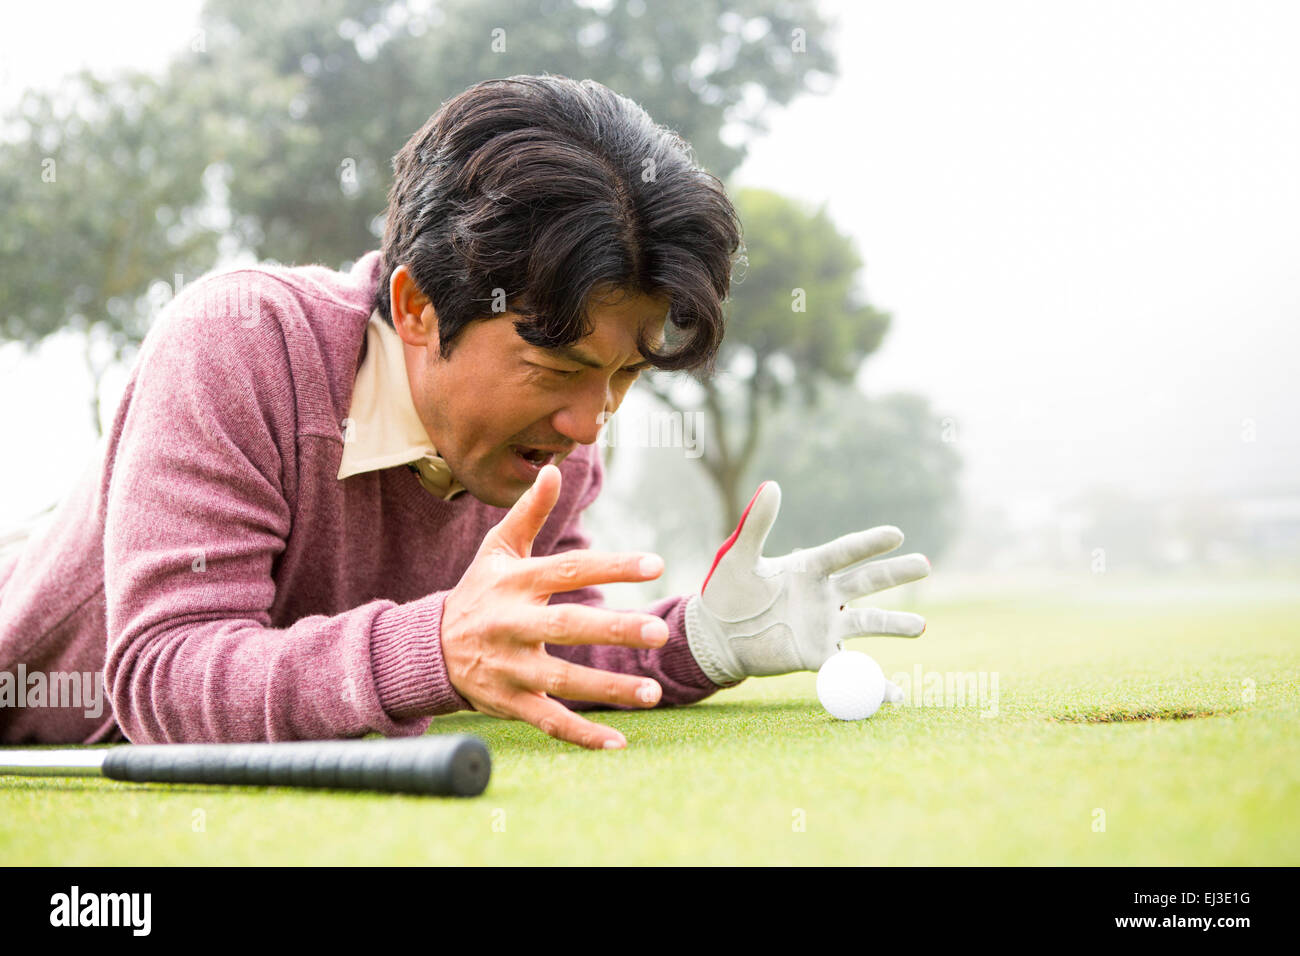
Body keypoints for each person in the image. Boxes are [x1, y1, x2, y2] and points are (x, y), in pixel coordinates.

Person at [0, 74, 930, 750]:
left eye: (624, 376)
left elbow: (539, 649)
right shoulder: (238, 342)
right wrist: (433, 647)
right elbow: (162, 676)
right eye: (556, 364)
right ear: (416, 308)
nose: (588, 421)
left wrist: (698, 642)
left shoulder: (555, 443)